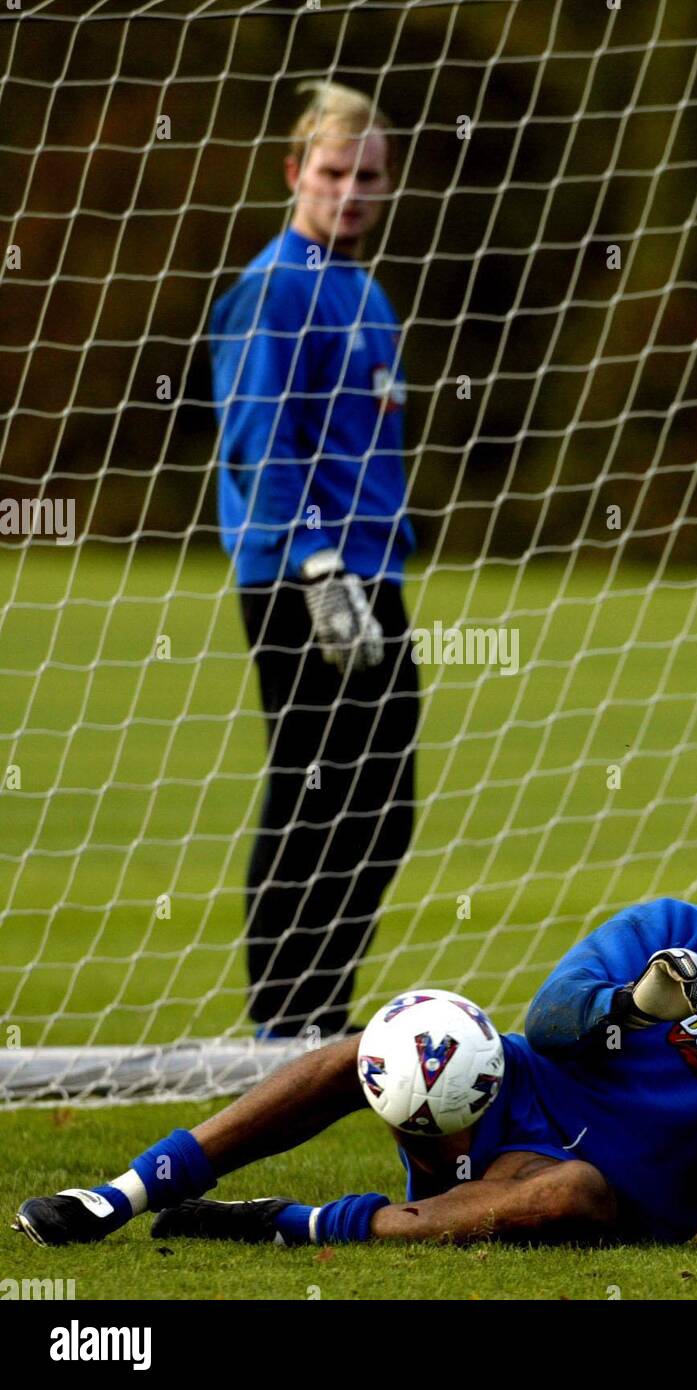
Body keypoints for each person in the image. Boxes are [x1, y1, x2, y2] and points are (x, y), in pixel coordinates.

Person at [12, 812, 697, 1248]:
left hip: (599, 1189)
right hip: (505, 1097)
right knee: (383, 1040)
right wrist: (628, 1007)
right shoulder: (673, 925)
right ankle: (126, 1193)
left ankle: (290, 1222)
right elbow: (548, 1022)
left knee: (570, 1195)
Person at [209, 82, 418, 1039]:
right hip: (305, 579)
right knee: (314, 787)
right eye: (332, 171)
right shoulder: (275, 283)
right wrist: (317, 565)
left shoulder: (366, 291)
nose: (349, 190)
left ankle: (320, 1019)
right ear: (296, 172)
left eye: (366, 174)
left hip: (376, 576)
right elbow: (258, 437)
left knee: (383, 806)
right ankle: (279, 1031)